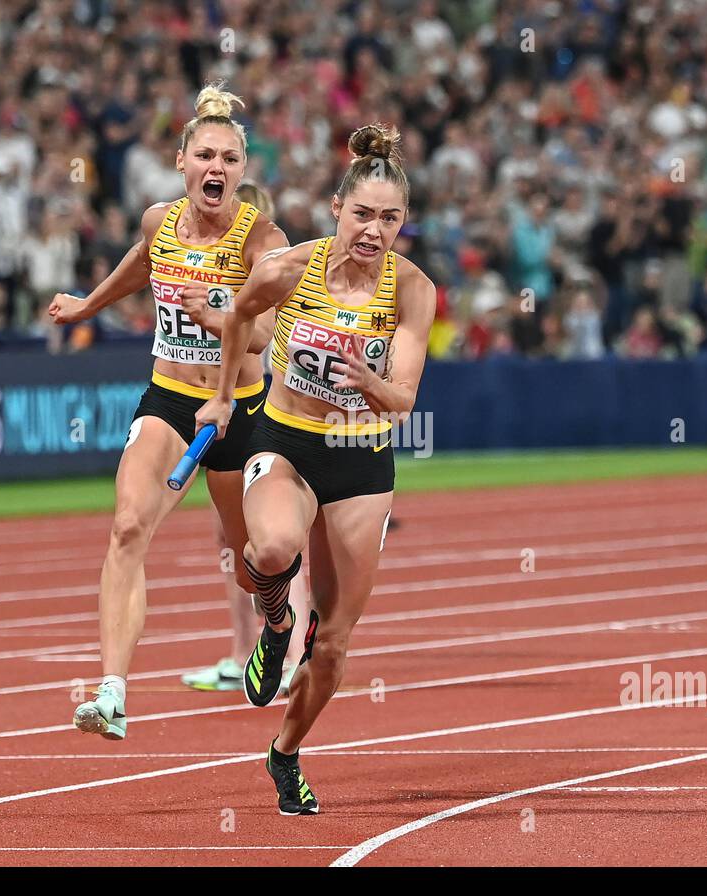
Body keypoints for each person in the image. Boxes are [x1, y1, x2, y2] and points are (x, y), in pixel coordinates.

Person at [195, 124, 436, 814]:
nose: (374, 230)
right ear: (337, 207)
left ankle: (286, 751)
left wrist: (369, 381)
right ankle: (274, 627)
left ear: (404, 223)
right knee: (268, 549)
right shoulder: (288, 270)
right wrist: (219, 397)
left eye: (390, 218)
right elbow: (239, 314)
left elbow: (403, 401)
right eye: (363, 214)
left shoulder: (412, 291)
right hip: (287, 442)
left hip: (361, 460)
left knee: (331, 644)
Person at [48, 84, 289, 740]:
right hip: (170, 398)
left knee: (252, 562)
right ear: (181, 163)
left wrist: (216, 315)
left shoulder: (260, 238)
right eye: (205, 155)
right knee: (127, 526)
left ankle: (278, 625)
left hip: (236, 409)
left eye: (230, 159)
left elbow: (264, 336)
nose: (217, 168)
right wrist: (88, 305)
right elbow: (139, 265)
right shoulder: (160, 221)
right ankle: (113, 692)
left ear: (243, 171)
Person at [181, 180, 310, 693]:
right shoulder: (208, 263)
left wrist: (215, 317)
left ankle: (292, 655)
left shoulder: (271, 270)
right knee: (230, 540)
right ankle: (241, 653)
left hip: (258, 410)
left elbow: (263, 337)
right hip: (220, 409)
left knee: (272, 544)